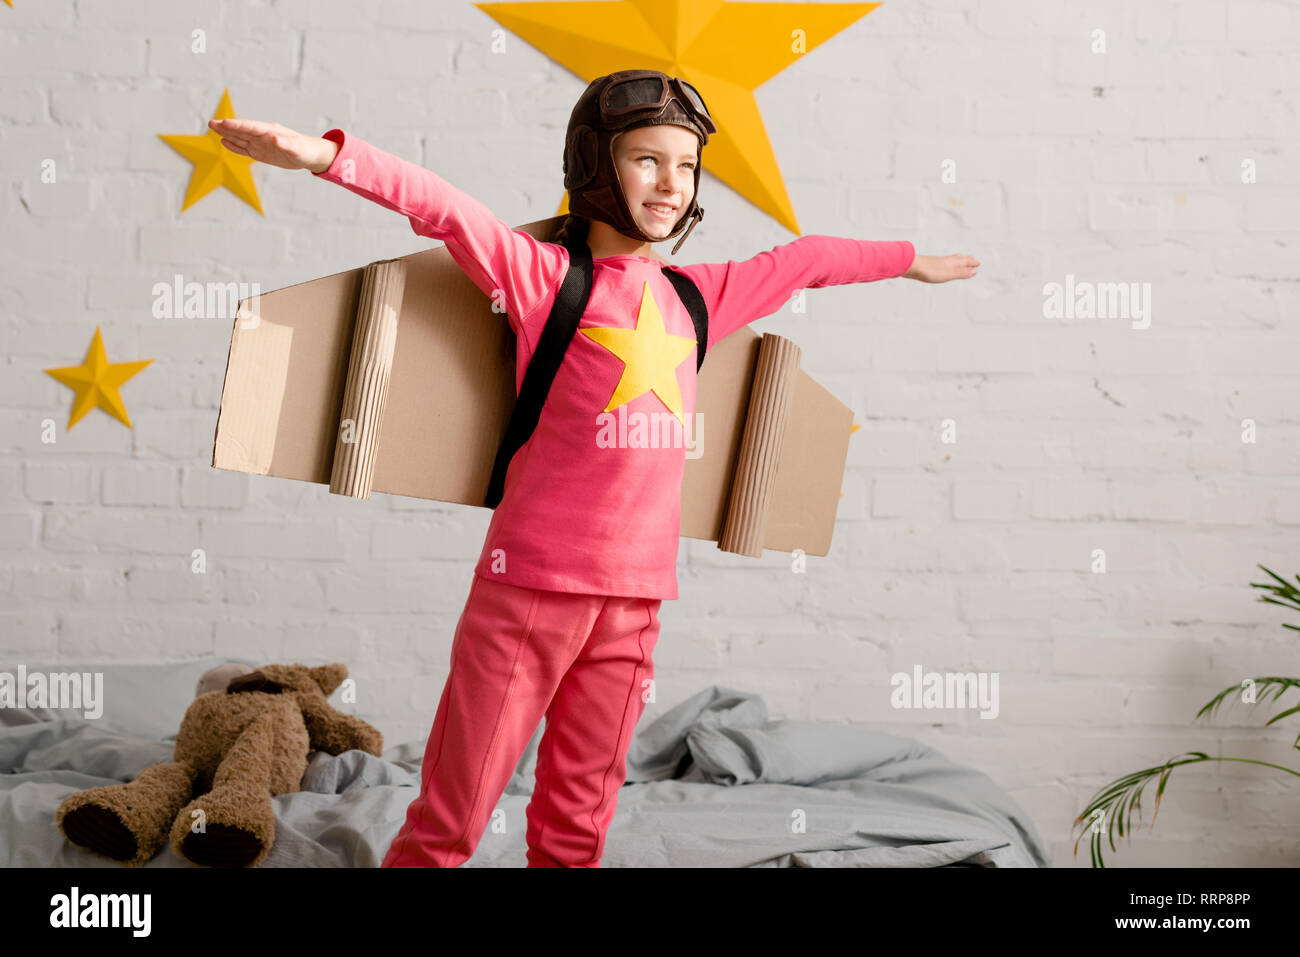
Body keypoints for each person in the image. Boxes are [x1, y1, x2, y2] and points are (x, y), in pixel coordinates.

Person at [209, 69, 979, 868]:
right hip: (529, 588)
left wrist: (911, 258)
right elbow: (444, 207)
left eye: (686, 165)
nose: (670, 184)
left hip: (636, 600)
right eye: (648, 160)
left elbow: (808, 259)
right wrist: (324, 155)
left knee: (582, 815)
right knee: (456, 809)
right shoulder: (546, 281)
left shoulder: (699, 298)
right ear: (593, 164)